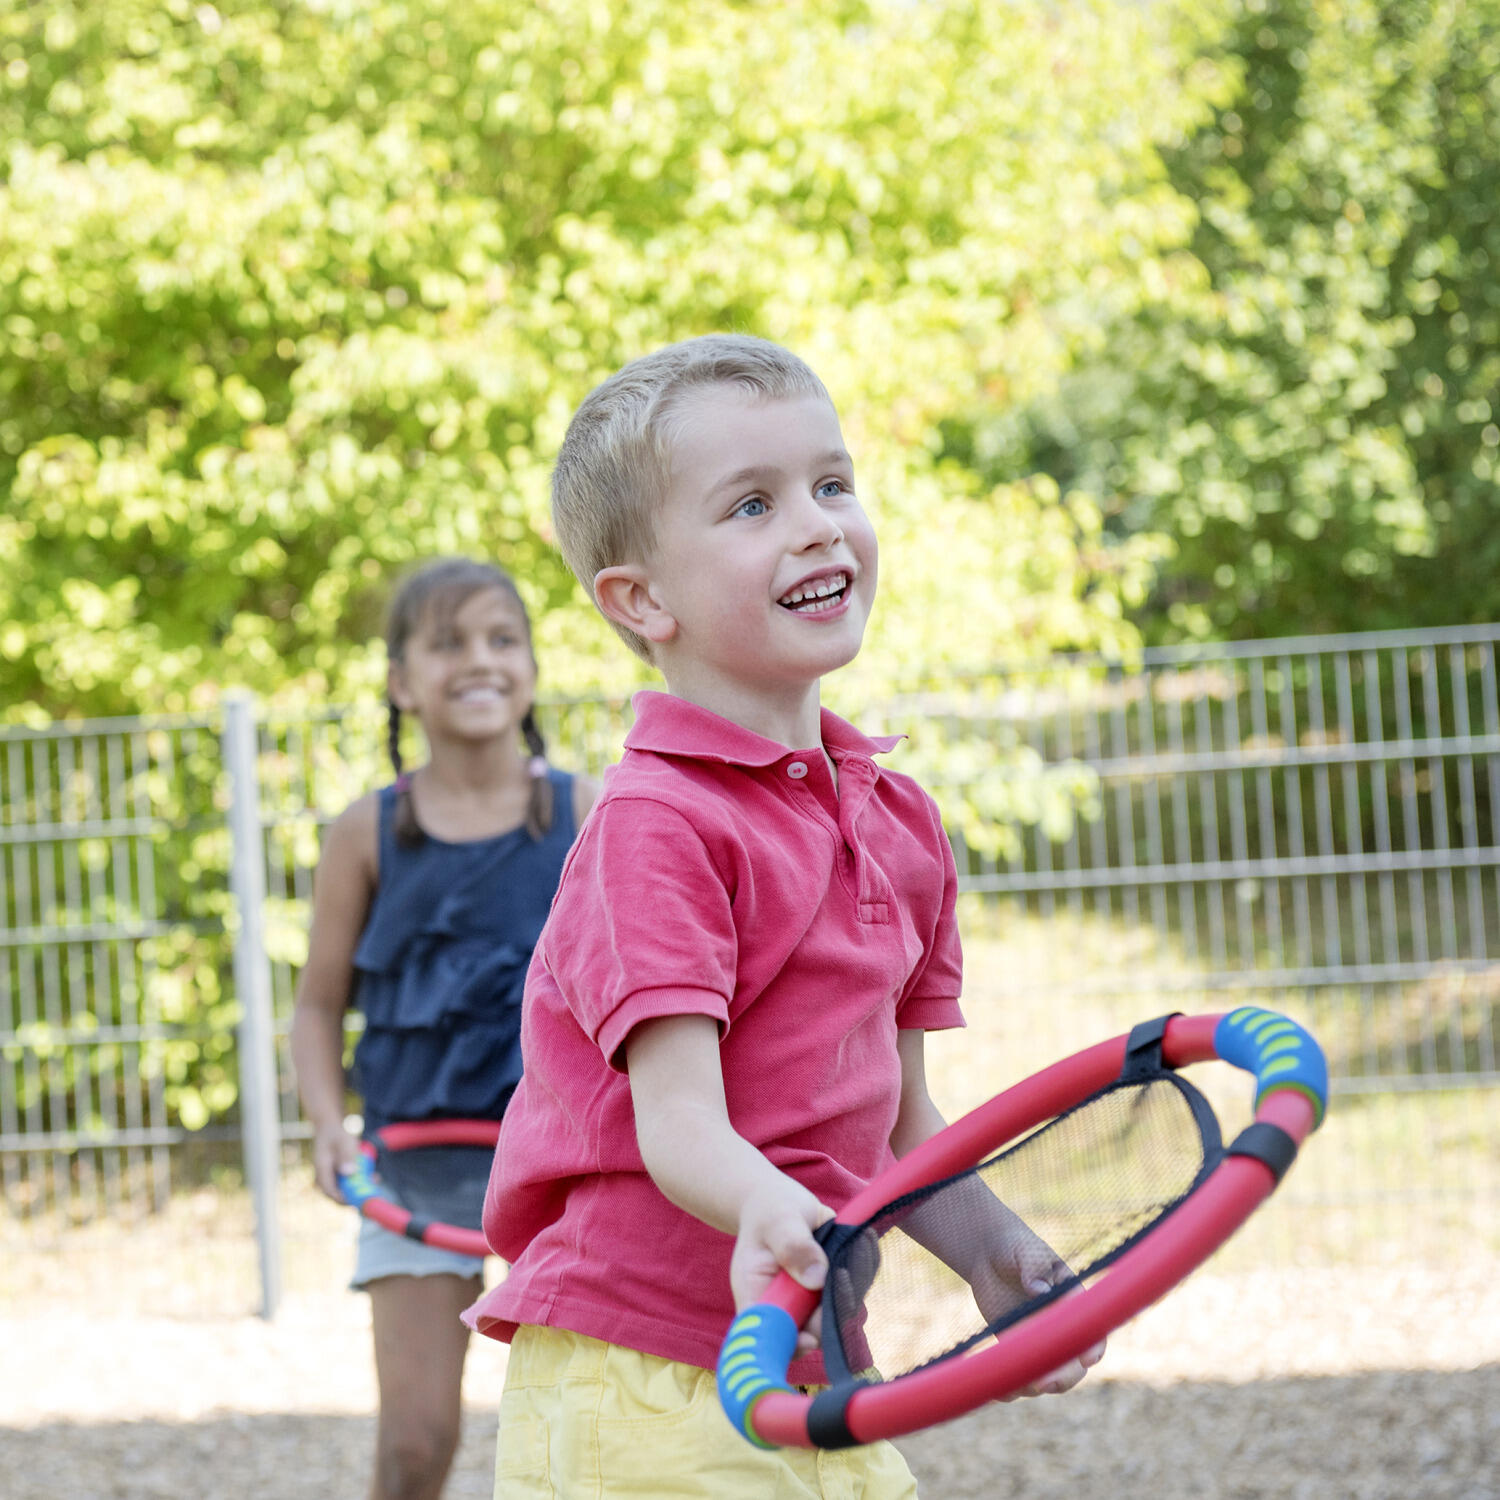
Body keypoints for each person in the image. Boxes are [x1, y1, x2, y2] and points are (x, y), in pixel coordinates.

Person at [463, 335, 1102, 1498]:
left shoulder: (898, 818)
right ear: (640, 599)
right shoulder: (657, 823)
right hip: (641, 1376)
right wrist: (771, 1208)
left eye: (832, 484)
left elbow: (902, 1124)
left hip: (805, 1359)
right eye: (752, 504)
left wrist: (993, 1252)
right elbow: (678, 1126)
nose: (816, 524)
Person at [290, 557, 599, 1500]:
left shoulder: (589, 812)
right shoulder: (364, 833)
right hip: (416, 1169)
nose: (481, 661)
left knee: (586, 1441)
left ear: (533, 670)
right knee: (416, 1445)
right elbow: (314, 1006)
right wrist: (326, 1121)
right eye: (449, 642)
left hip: (564, 1177)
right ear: (400, 680)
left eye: (504, 640)